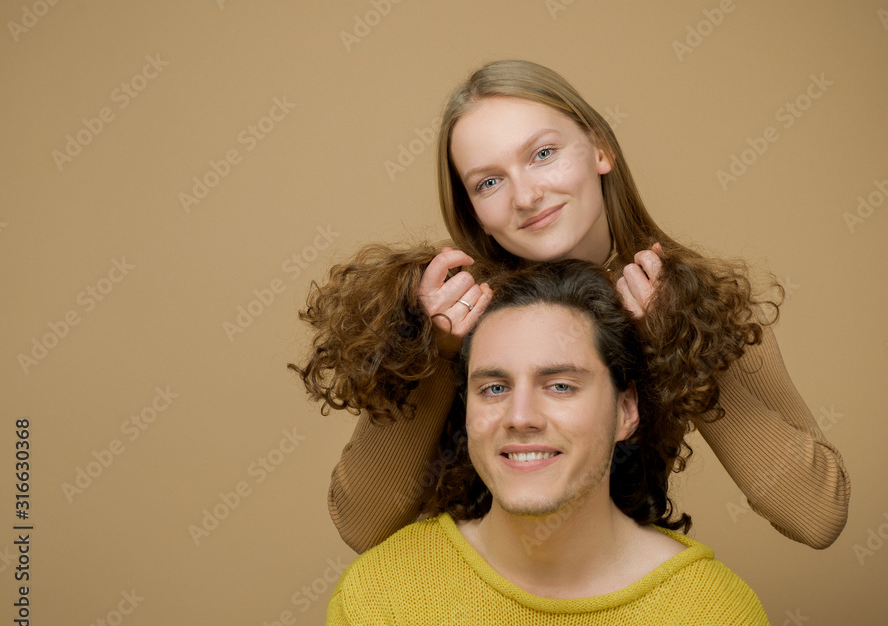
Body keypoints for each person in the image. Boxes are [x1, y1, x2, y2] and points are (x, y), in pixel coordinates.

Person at [291, 59, 850, 552]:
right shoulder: (444, 309)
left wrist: (683, 349)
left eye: (543, 154)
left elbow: (816, 515)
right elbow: (360, 525)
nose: (526, 196)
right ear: (470, 208)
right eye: (489, 182)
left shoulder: (698, 307)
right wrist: (434, 354)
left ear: (600, 149)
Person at [321, 261, 778, 626]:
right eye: (494, 388)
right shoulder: (381, 597)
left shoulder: (715, 621)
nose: (520, 417)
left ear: (625, 411)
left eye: (560, 385)